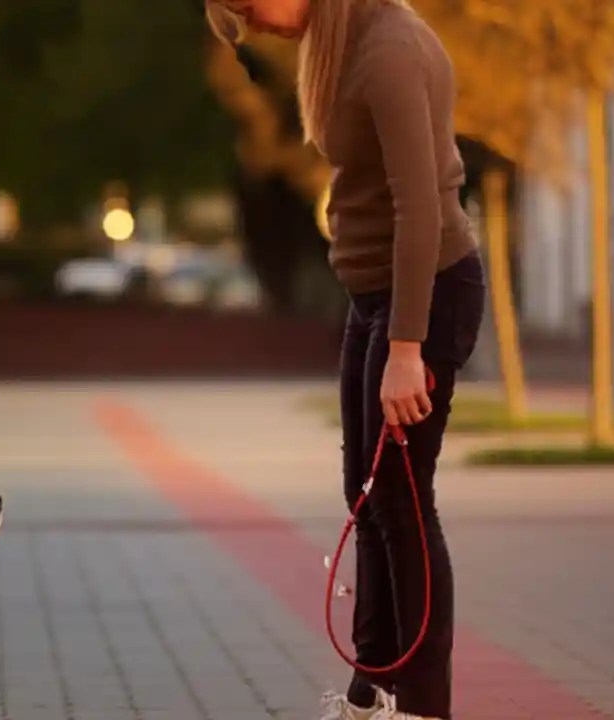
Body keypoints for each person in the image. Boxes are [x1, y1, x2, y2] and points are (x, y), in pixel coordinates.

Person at [201, 1, 486, 719]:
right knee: (367, 495)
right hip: (373, 296)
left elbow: (419, 208)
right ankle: (371, 694)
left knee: (402, 501)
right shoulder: (340, 41)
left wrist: (406, 349)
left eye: (248, 7)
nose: (253, 24)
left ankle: (423, 706)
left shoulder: (386, 48)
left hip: (423, 296)